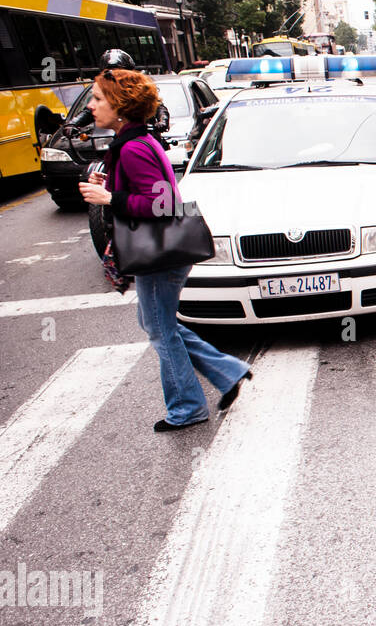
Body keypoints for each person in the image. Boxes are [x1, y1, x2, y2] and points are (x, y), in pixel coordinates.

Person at [77, 69, 250, 432]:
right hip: (163, 252)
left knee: (159, 329)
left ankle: (187, 408)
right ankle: (227, 370)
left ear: (120, 105)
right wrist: (110, 183)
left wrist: (110, 197)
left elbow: (164, 203)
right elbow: (146, 187)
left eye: (97, 98)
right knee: (156, 323)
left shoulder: (135, 146)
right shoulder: (134, 140)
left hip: (159, 253)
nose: (91, 106)